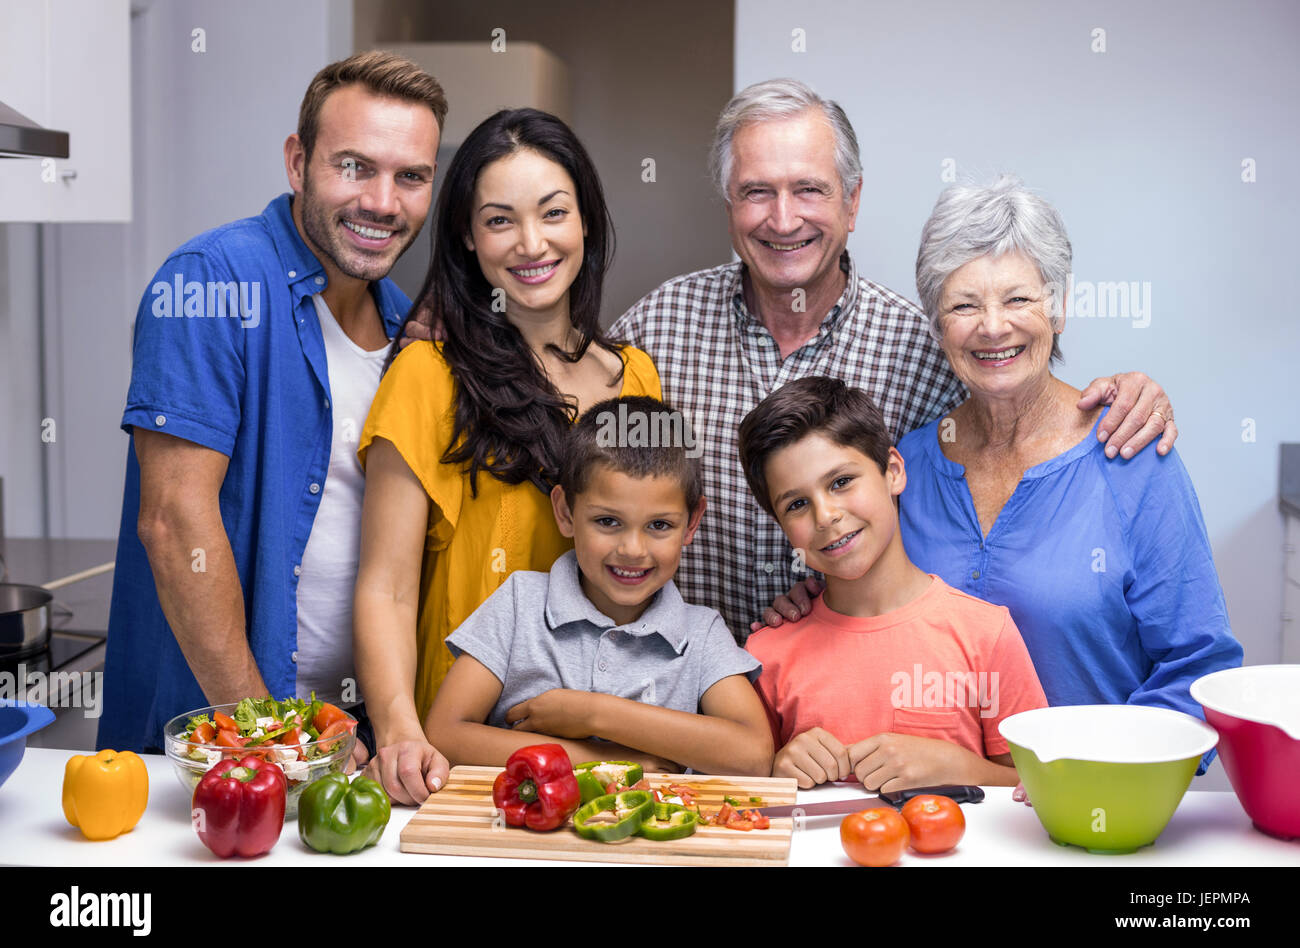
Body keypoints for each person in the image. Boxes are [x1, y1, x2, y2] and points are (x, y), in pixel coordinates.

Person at [605, 78, 1180, 640]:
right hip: (679, 709)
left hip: (859, 710)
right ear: (729, 205)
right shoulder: (653, 331)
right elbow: (588, 490)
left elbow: (1022, 410)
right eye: (757, 192)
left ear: (852, 201)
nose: (783, 219)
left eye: (809, 189)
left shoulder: (928, 348)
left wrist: (1129, 394)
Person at [98, 52, 447, 756]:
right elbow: (172, 522)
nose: (383, 201)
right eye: (355, 166)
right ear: (298, 163)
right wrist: (278, 739)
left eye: (411, 176)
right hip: (224, 748)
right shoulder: (211, 283)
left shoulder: (408, 326)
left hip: (353, 745)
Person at [353, 109, 663, 804]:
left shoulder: (637, 380)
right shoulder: (426, 375)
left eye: (554, 213)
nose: (532, 244)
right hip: (463, 757)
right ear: (466, 236)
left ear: (586, 221)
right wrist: (399, 728)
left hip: (605, 755)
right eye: (499, 220)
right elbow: (387, 585)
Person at [895, 175, 1242, 775]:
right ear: (936, 325)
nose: (994, 326)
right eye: (964, 304)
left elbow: (1198, 666)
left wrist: (1095, 779)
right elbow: (866, 618)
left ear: (1058, 308)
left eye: (1018, 299)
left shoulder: (1129, 451)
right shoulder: (910, 467)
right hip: (933, 822)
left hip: (1094, 820)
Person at [425, 396, 773, 775]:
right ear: (565, 512)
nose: (632, 550)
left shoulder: (702, 633)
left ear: (691, 524)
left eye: (659, 525)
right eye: (608, 522)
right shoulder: (518, 602)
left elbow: (754, 755)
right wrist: (616, 762)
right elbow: (445, 735)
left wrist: (595, 715)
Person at [739, 377, 1048, 791]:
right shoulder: (764, 654)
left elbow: (1037, 787)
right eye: (797, 504)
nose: (826, 515)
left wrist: (958, 767)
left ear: (894, 473)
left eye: (841, 482)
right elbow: (746, 793)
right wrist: (778, 770)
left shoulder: (986, 635)